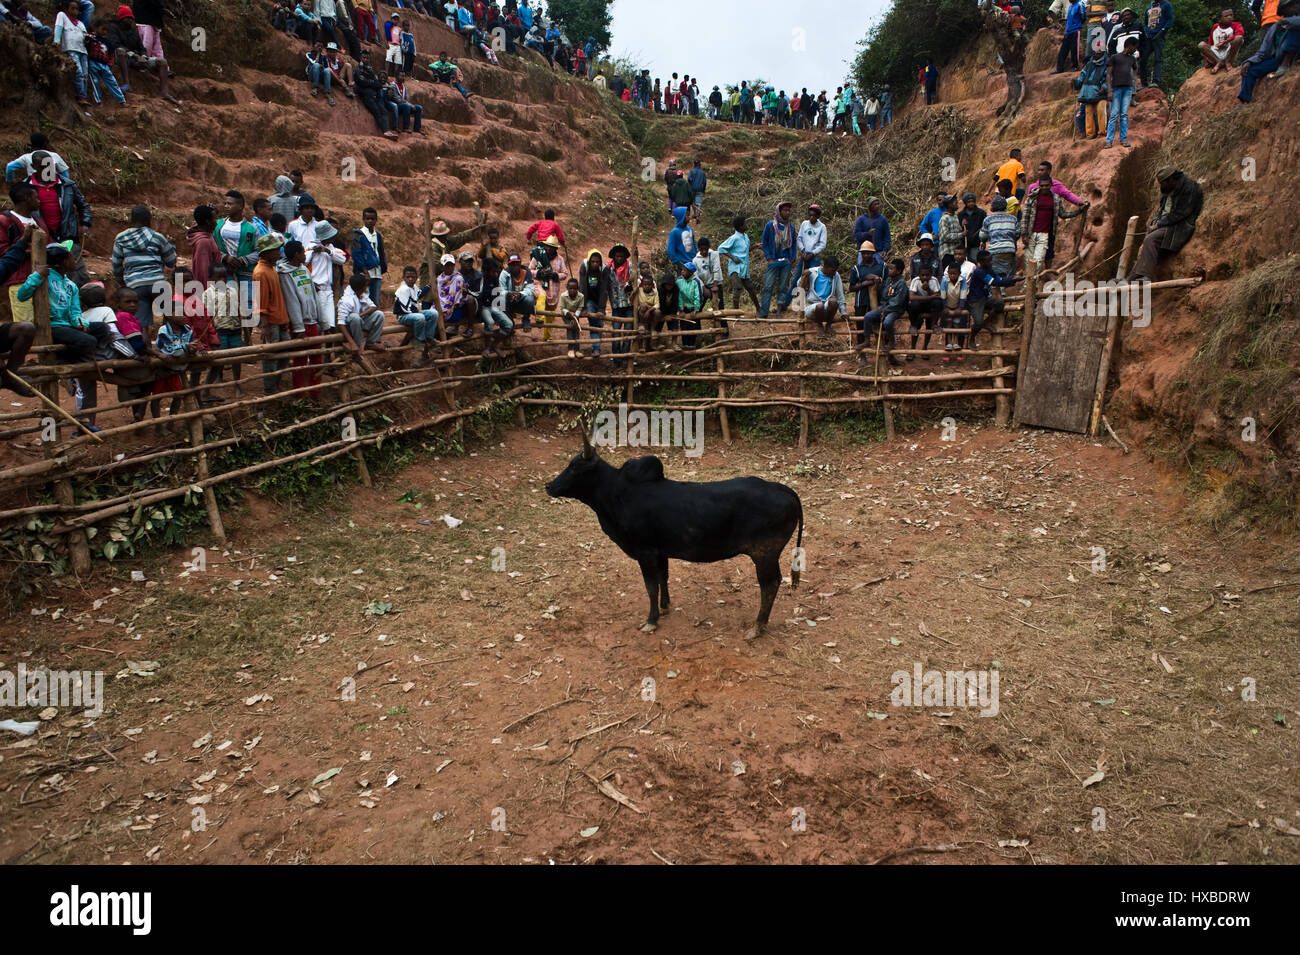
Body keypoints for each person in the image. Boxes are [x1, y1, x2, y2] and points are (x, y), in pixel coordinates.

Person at [17, 243, 110, 425]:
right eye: (70, 257)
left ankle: (66, 357)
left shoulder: (70, 285)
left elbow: (75, 312)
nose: (74, 260)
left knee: (102, 329)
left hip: (69, 326)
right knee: (89, 342)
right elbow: (22, 295)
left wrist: (81, 323)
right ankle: (63, 360)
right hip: (53, 327)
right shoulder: (43, 277)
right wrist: (36, 276)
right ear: (61, 262)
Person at [111, 204, 177, 335]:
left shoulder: (121, 238)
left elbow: (116, 265)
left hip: (135, 286)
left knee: (141, 325)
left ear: (132, 220)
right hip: (158, 282)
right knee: (171, 318)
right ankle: (172, 348)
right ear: (149, 220)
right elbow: (171, 261)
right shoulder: (157, 237)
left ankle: (145, 351)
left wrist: (123, 284)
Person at [1129, 167, 1203, 281]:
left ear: (1171, 180)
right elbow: (1163, 211)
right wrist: (1156, 222)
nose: (1161, 187)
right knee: (1148, 239)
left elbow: (1181, 214)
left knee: (1151, 239)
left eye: (1162, 183)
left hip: (1181, 225)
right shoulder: (1169, 190)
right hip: (1168, 223)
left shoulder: (1189, 188)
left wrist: (1159, 225)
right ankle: (1132, 277)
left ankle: (1145, 276)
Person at [277, 239, 323, 394]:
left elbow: (313, 295)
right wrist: (298, 327)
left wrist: (321, 320)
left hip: (312, 321)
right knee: (300, 359)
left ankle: (315, 391)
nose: (305, 254)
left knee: (317, 357)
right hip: (300, 324)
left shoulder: (304, 269)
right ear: (296, 255)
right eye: (303, 252)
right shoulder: (285, 274)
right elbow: (291, 301)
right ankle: (299, 393)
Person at [1021, 162, 1090, 266]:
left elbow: (1068, 195)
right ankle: (1031, 278)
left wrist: (1079, 204)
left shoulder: (1056, 188)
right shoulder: (1033, 188)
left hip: (1049, 228)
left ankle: (1047, 270)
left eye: (1042, 170)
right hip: (1032, 229)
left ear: (1049, 171)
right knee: (1030, 256)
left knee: (1047, 251)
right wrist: (1024, 233)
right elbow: (1026, 213)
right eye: (1038, 170)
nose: (1039, 172)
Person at [1237, 0, 1300, 102]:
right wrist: (1249, 61)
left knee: (1295, 30)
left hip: (1296, 55)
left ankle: (1286, 64)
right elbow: (1264, 50)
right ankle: (1244, 100)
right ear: (1284, 11)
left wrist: (1288, 22)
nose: (1295, 6)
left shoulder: (1291, 22)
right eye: (1291, 6)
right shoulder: (1275, 27)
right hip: (1278, 59)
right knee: (1251, 69)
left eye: (1296, 4)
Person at [252, 234, 291, 392]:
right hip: (271, 321)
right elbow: (261, 302)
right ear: (266, 253)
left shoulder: (271, 270)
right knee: (271, 356)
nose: (279, 253)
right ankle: (270, 387)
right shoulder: (261, 273)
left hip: (279, 318)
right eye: (275, 250)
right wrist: (265, 325)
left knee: (283, 353)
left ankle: (276, 382)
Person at [859, 258, 908, 367]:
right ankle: (867, 340)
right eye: (889, 268)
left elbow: (897, 301)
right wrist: (877, 284)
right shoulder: (888, 281)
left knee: (887, 322)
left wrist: (885, 311)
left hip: (895, 309)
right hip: (884, 307)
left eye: (891, 268)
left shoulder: (901, 283)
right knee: (867, 316)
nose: (889, 270)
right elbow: (883, 294)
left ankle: (891, 342)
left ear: (899, 271)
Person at [966, 250, 1018, 349]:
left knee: (1000, 305)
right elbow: (993, 282)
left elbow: (999, 279)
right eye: (988, 261)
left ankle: (987, 322)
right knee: (978, 322)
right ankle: (972, 339)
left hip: (985, 298)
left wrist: (1013, 279)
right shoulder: (978, 271)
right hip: (975, 300)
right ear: (981, 262)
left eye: (991, 260)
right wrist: (1012, 279)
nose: (991, 262)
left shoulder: (989, 269)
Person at [393, 265, 439, 365]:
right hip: (403, 315)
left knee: (434, 313)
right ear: (403, 278)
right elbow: (405, 309)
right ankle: (419, 339)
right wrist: (418, 313)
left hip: (414, 314)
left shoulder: (413, 287)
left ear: (416, 278)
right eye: (408, 277)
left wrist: (429, 286)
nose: (410, 279)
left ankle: (429, 336)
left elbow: (419, 295)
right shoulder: (403, 289)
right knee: (420, 317)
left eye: (413, 277)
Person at [307, 219, 346, 331]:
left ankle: (329, 347)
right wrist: (313, 251)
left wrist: (328, 251)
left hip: (328, 288)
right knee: (320, 321)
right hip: (316, 288)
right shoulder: (311, 247)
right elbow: (303, 261)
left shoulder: (331, 247)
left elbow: (342, 259)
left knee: (330, 323)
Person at [760, 200, 797, 316]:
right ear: (779, 211)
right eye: (784, 210)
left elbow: (793, 243)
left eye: (788, 210)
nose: (787, 213)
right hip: (773, 260)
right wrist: (769, 257)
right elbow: (764, 242)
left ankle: (779, 311)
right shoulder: (770, 225)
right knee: (768, 286)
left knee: (782, 287)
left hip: (786, 261)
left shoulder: (791, 227)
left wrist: (792, 257)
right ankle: (764, 312)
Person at [717, 216, 760, 312]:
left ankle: (759, 309)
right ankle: (736, 313)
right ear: (740, 227)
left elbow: (745, 251)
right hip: (735, 268)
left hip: (744, 269)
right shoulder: (734, 238)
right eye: (745, 223)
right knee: (737, 289)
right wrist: (732, 257)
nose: (746, 225)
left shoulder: (746, 237)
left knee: (751, 288)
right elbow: (721, 248)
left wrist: (755, 246)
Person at [798, 255, 847, 339]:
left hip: (827, 307)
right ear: (826, 267)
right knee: (819, 306)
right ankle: (819, 325)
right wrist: (804, 276)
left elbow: (840, 294)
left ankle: (828, 325)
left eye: (835, 270)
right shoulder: (812, 272)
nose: (834, 273)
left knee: (834, 301)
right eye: (832, 270)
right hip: (812, 307)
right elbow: (799, 286)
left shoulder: (836, 276)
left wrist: (843, 312)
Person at [337, 272, 386, 356]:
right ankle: (357, 345)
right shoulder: (346, 300)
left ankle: (370, 343)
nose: (366, 287)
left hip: (360, 322)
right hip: (350, 327)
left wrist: (361, 314)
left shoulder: (361, 294)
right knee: (354, 317)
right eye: (365, 286)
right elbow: (341, 323)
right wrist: (351, 343)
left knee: (379, 314)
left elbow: (373, 307)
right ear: (361, 288)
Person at [848, 241, 885, 346]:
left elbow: (888, 282)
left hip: (878, 300)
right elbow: (851, 288)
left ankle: (882, 349)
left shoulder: (882, 266)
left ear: (873, 253)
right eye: (864, 253)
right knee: (860, 327)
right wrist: (865, 283)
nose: (866, 255)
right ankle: (862, 354)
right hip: (861, 301)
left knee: (880, 325)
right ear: (861, 254)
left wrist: (879, 280)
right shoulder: (856, 269)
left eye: (869, 253)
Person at [1105, 35, 1139, 148]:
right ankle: (1109, 140)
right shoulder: (1115, 57)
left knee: (1124, 114)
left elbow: (1135, 68)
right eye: (1135, 47)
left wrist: (1133, 79)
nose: (1135, 49)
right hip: (1116, 88)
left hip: (1127, 89)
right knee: (1114, 115)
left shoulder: (1132, 59)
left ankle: (1123, 139)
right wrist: (1109, 90)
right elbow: (1109, 74)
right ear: (1129, 46)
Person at [905, 263, 942, 358]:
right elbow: (912, 297)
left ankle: (925, 347)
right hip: (919, 307)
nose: (925, 277)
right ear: (919, 275)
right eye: (922, 275)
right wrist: (930, 297)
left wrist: (928, 289)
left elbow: (937, 296)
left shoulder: (934, 281)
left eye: (927, 275)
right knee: (913, 306)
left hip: (930, 307)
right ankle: (912, 349)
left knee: (937, 304)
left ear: (931, 274)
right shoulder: (915, 281)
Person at [604, 244, 635, 358]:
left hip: (629, 305)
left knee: (628, 332)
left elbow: (638, 281)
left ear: (625, 257)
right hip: (616, 306)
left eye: (622, 256)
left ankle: (625, 355)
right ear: (613, 257)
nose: (619, 259)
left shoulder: (631, 267)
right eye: (617, 256)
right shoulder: (608, 269)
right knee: (616, 331)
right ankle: (616, 356)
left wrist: (631, 285)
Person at [351, 207, 387, 305]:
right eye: (367, 219)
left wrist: (383, 267)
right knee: (363, 301)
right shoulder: (359, 235)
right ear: (363, 219)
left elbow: (381, 252)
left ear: (376, 220)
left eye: (372, 219)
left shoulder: (377, 236)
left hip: (377, 273)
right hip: (364, 274)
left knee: (374, 302)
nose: (370, 221)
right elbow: (357, 255)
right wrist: (365, 271)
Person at [578, 249, 609, 357]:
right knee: (594, 323)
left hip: (600, 299)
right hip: (589, 299)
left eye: (597, 262)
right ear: (589, 261)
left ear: (600, 262)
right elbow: (583, 287)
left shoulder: (604, 270)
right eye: (593, 261)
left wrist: (601, 308)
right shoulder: (584, 267)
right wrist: (583, 306)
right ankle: (596, 349)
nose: (595, 264)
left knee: (600, 324)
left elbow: (604, 290)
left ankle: (596, 345)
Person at [1074, 44, 1109, 139]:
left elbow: (1109, 77)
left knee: (1101, 110)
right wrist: (1077, 83)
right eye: (1096, 50)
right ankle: (1090, 133)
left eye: (1100, 50)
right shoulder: (1089, 64)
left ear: (1103, 51)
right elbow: (1082, 75)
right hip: (1088, 92)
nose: (1097, 52)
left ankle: (1102, 132)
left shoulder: (1107, 64)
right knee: (1088, 111)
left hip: (1100, 93)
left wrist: (1104, 88)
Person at [980, 196, 1020, 277]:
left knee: (998, 276)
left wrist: (983, 241)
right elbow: (1017, 234)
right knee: (1008, 275)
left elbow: (982, 236)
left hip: (995, 251)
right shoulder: (1013, 219)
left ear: (993, 207)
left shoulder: (988, 219)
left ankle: (1001, 288)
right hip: (1010, 250)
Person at [938, 263, 969, 361]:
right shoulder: (944, 281)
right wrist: (945, 308)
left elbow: (963, 296)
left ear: (959, 273)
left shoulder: (963, 280)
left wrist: (959, 308)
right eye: (950, 274)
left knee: (960, 328)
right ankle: (947, 352)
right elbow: (943, 296)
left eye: (954, 274)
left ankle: (959, 353)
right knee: (948, 327)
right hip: (947, 305)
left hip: (959, 305)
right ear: (948, 273)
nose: (952, 276)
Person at [794, 203, 827, 293]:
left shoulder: (822, 227)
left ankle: (812, 300)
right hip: (804, 256)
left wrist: (812, 253)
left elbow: (822, 244)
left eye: (814, 216)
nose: (812, 218)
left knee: (813, 280)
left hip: (814, 258)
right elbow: (799, 238)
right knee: (797, 278)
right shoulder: (804, 224)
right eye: (810, 215)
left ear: (818, 216)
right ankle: (791, 302)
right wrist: (802, 250)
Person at [1141, 0, 1174, 88]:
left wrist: (1162, 32)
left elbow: (1170, 19)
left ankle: (1155, 81)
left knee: (1157, 58)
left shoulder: (1166, 5)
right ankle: (1143, 83)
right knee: (1143, 59)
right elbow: (1145, 22)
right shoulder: (1149, 6)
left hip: (1159, 36)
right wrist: (1146, 32)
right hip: (1148, 37)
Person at [557, 276, 586, 359]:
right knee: (570, 327)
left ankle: (577, 350)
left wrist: (575, 316)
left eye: (574, 288)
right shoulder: (563, 296)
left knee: (576, 329)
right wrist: (569, 313)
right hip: (566, 315)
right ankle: (570, 349)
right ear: (567, 288)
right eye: (570, 288)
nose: (572, 290)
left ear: (577, 288)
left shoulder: (581, 296)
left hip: (575, 315)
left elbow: (580, 308)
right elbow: (562, 308)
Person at [693, 237, 725, 313]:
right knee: (699, 306)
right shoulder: (695, 260)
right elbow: (696, 275)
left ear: (708, 247)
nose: (704, 252)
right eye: (702, 249)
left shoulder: (714, 254)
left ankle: (723, 324)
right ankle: (697, 324)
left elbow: (716, 269)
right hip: (704, 284)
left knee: (720, 307)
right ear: (698, 249)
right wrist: (704, 288)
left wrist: (715, 285)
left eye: (706, 249)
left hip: (716, 283)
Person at [631, 272, 660, 352]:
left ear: (652, 285)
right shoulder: (639, 290)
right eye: (645, 284)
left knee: (658, 312)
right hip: (641, 313)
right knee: (643, 307)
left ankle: (653, 329)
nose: (647, 286)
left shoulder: (655, 292)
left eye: (649, 284)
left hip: (651, 313)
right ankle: (641, 325)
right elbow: (630, 301)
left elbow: (657, 304)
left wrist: (650, 310)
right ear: (642, 284)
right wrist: (633, 293)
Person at [1055, 0, 1085, 73]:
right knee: (1063, 50)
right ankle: (1059, 69)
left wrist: (1077, 25)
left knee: (1074, 49)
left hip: (1075, 30)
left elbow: (1083, 16)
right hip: (1068, 31)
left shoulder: (1080, 4)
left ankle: (1075, 66)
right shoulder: (1070, 6)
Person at [666, 205, 697, 270]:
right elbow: (670, 251)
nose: (689, 217)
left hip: (693, 262)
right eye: (687, 215)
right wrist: (678, 263)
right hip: (683, 265)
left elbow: (694, 244)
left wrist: (696, 256)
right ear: (681, 217)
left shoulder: (690, 229)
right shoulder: (674, 232)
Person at [937, 195, 964, 268]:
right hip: (948, 254)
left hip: (957, 254)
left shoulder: (956, 217)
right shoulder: (944, 219)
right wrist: (961, 234)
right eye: (954, 202)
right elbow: (944, 237)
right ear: (949, 204)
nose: (956, 203)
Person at [958, 194, 987, 261]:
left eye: (972, 201)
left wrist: (983, 241)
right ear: (965, 203)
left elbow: (985, 227)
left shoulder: (981, 213)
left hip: (977, 243)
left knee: (976, 260)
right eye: (969, 202)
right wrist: (962, 225)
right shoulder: (961, 214)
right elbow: (958, 228)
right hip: (965, 243)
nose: (971, 203)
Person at [686, 159, 706, 224]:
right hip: (700, 189)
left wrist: (690, 185)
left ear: (694, 164)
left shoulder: (692, 172)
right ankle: (697, 215)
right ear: (700, 165)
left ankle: (695, 213)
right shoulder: (703, 173)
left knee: (692, 202)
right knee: (699, 202)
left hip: (692, 189)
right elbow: (704, 182)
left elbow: (689, 179)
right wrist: (703, 189)